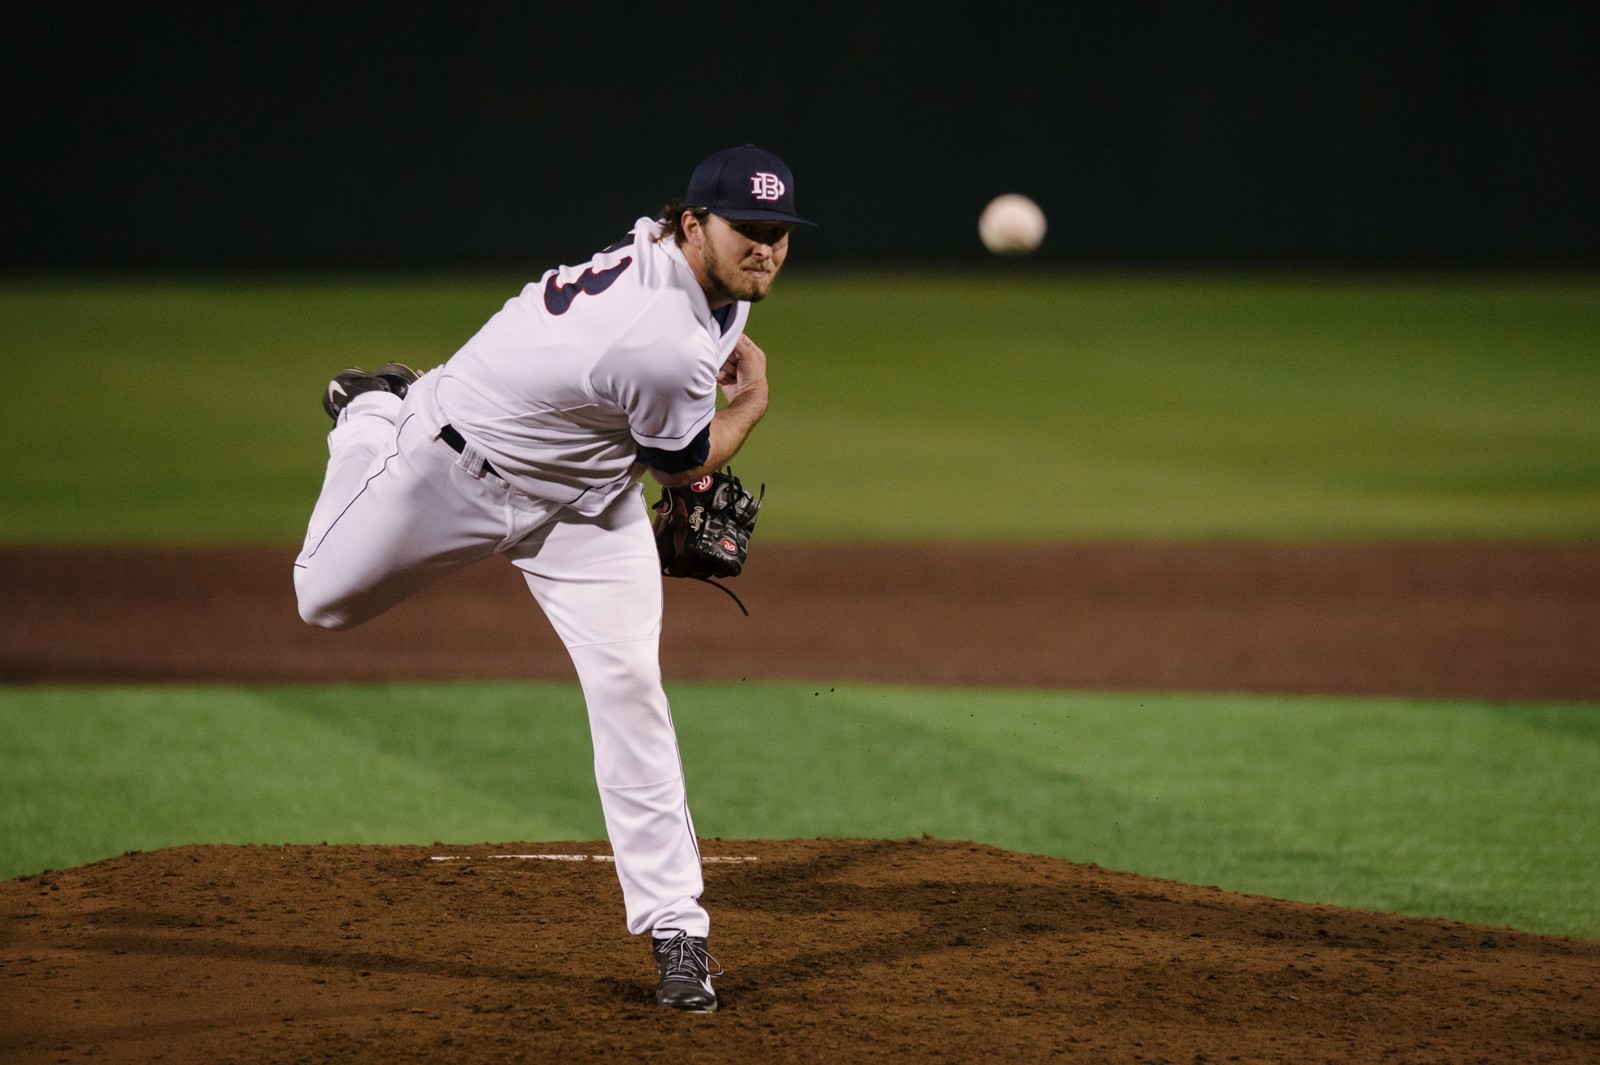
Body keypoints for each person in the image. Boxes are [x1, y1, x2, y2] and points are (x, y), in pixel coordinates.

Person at [293, 144, 811, 1012]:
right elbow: (687, 468)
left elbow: (666, 400)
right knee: (322, 599)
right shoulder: (660, 338)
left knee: (630, 686)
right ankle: (371, 409)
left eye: (780, 233)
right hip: (455, 470)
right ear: (693, 227)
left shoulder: (687, 276)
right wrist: (751, 405)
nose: (766, 248)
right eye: (748, 230)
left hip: (586, 502)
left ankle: (680, 930)